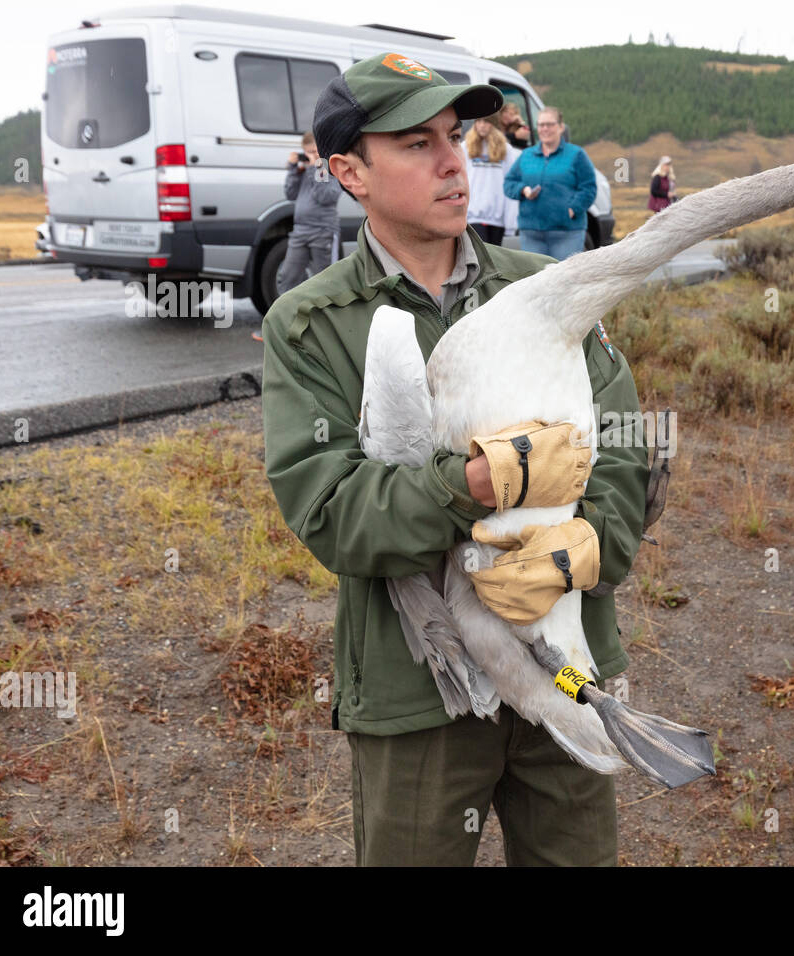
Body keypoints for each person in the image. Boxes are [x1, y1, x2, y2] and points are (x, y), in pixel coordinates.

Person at [259, 52, 649, 866]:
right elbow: (331, 512)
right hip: (416, 700)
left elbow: (624, 450)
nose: (453, 162)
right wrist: (475, 481)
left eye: (456, 136)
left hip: (565, 673)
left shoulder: (547, 291)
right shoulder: (310, 324)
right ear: (348, 173)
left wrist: (593, 544)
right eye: (415, 143)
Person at [503, 107, 597, 260]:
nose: (544, 129)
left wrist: (573, 209)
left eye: (549, 124)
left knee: (564, 280)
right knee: (535, 281)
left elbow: (589, 188)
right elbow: (509, 183)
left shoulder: (576, 155)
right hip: (531, 234)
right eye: (541, 125)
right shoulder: (527, 155)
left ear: (561, 127)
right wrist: (523, 190)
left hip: (567, 233)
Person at [277, 131, 343, 296]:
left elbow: (326, 197)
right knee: (287, 276)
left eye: (315, 152)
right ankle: (287, 315)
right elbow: (290, 194)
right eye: (308, 152)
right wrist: (293, 169)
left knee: (326, 278)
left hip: (323, 231)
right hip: (300, 231)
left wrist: (319, 167)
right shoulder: (305, 170)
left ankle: (329, 317)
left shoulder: (329, 169)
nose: (311, 156)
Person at [465, 111, 520, 246]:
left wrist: (511, 222)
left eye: (486, 121)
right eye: (479, 121)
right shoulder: (465, 147)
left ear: (493, 124)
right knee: (481, 257)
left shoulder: (506, 150)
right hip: (474, 216)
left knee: (494, 259)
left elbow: (511, 181)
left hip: (497, 217)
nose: (482, 125)